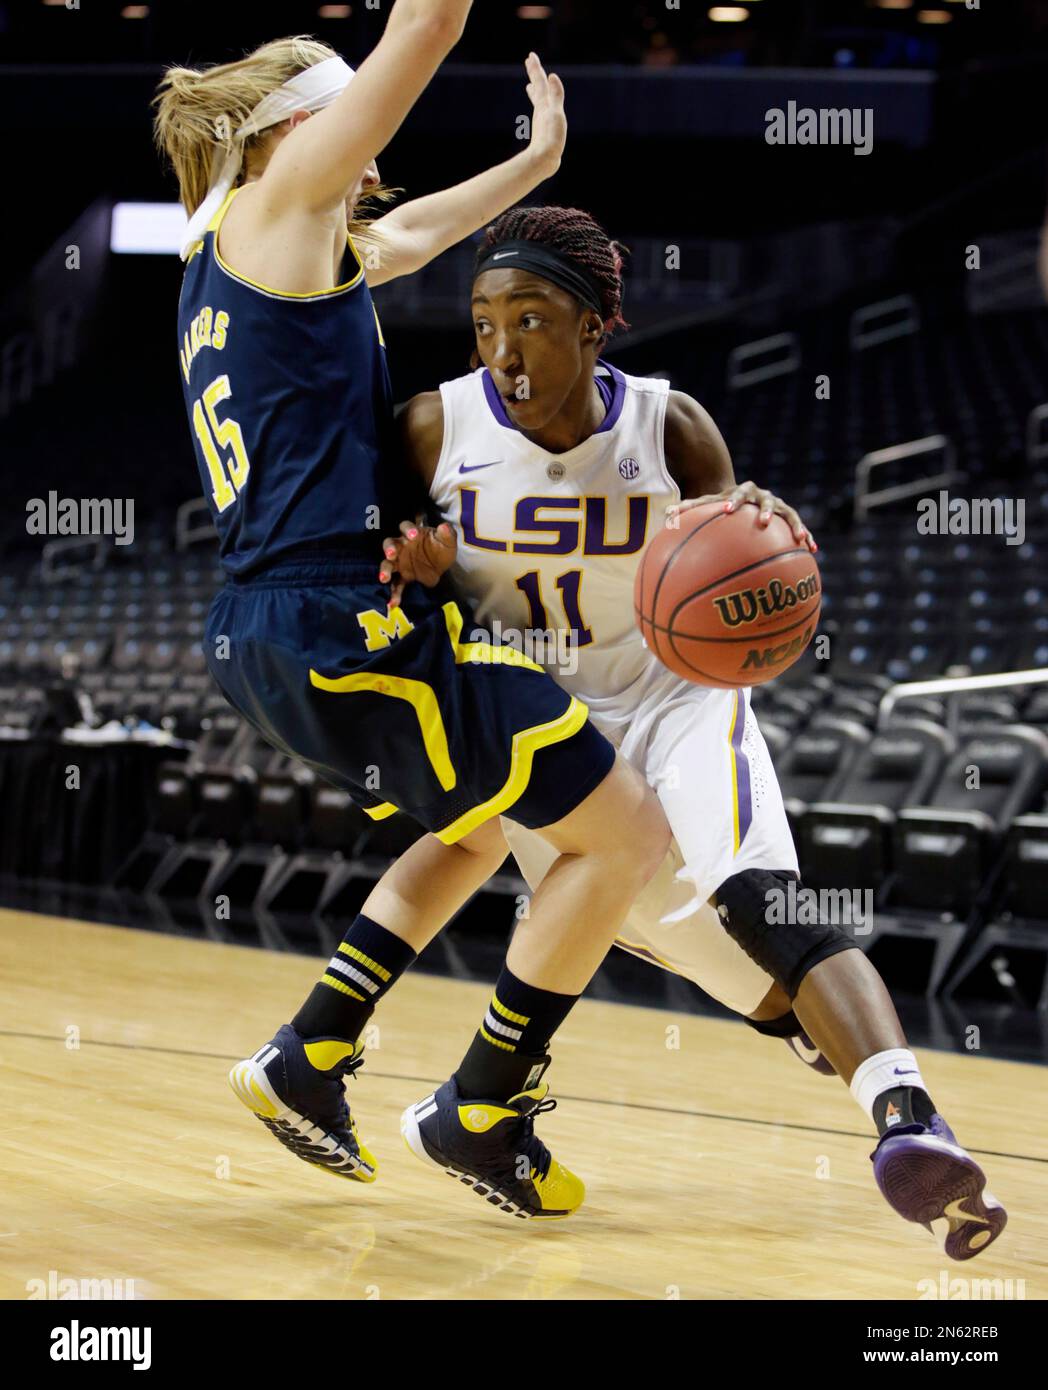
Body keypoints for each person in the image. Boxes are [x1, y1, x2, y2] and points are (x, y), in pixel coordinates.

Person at [387, 204, 1007, 1259]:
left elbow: (730, 558)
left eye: (530, 319)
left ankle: (910, 1122)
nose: (502, 349)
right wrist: (419, 581)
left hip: (679, 698)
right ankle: (470, 1109)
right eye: (483, 322)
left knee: (761, 888)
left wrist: (756, 531)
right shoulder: (432, 427)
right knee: (766, 993)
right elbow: (386, 592)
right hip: (544, 735)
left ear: (593, 326)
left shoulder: (670, 424)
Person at [153, 16, 672, 1221]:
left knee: (482, 827)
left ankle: (311, 1052)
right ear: (298, 129)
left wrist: (535, 166)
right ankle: (482, 1105)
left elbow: (422, 230)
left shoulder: (262, 249)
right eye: (347, 128)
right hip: (335, 615)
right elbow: (428, 20)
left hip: (284, 624)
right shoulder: (283, 196)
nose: (373, 155)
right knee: (621, 836)